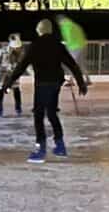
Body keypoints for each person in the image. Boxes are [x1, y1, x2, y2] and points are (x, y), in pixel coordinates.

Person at [24, 18, 87, 163]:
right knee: (52, 113)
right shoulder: (58, 46)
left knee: (39, 115)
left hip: (42, 84)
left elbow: (22, 65)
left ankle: (41, 148)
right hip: (55, 84)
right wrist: (81, 83)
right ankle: (60, 146)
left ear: (39, 31)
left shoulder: (35, 46)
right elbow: (72, 65)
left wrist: (8, 82)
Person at [0, 33, 27, 116]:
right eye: (17, 48)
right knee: (0, 91)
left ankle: (18, 108)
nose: (19, 49)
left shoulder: (21, 53)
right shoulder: (3, 51)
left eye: (19, 48)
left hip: (13, 74)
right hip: (2, 74)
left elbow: (23, 64)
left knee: (16, 90)